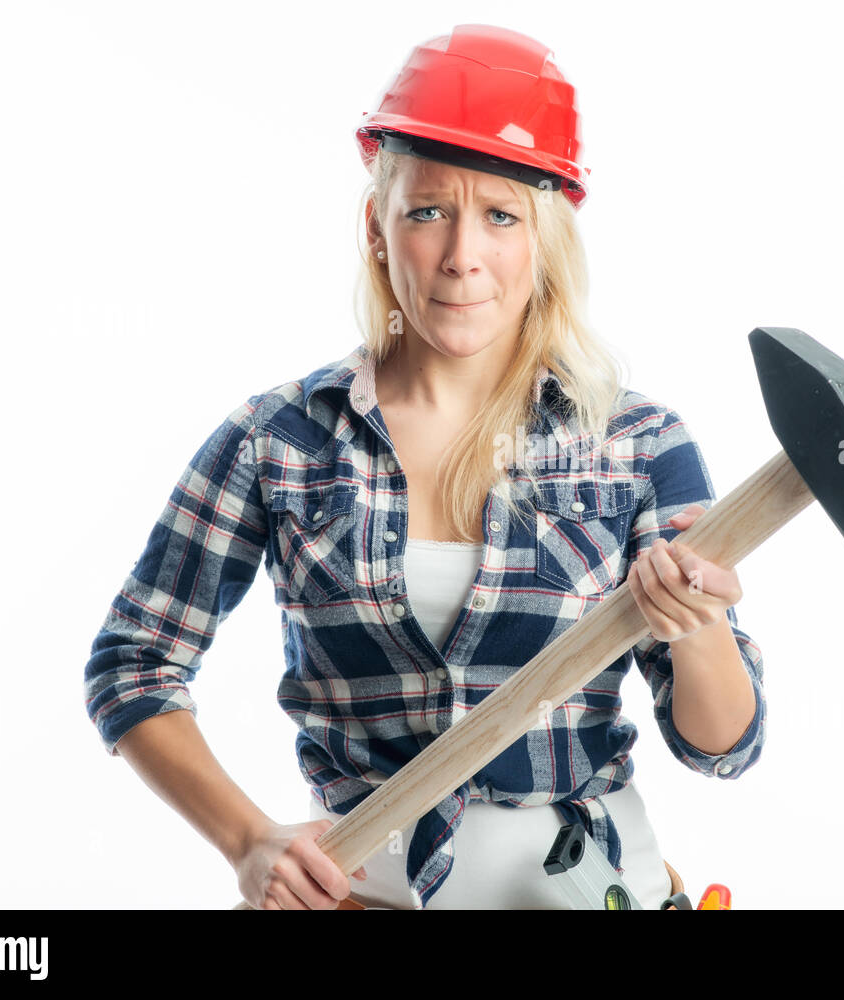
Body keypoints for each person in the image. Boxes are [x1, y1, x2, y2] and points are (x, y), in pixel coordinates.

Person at [83, 23, 766, 911]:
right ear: (378, 226)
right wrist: (246, 839)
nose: (461, 257)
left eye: (501, 216)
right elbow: (132, 663)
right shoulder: (279, 442)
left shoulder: (634, 443)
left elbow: (724, 746)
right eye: (427, 211)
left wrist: (698, 625)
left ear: (544, 240)